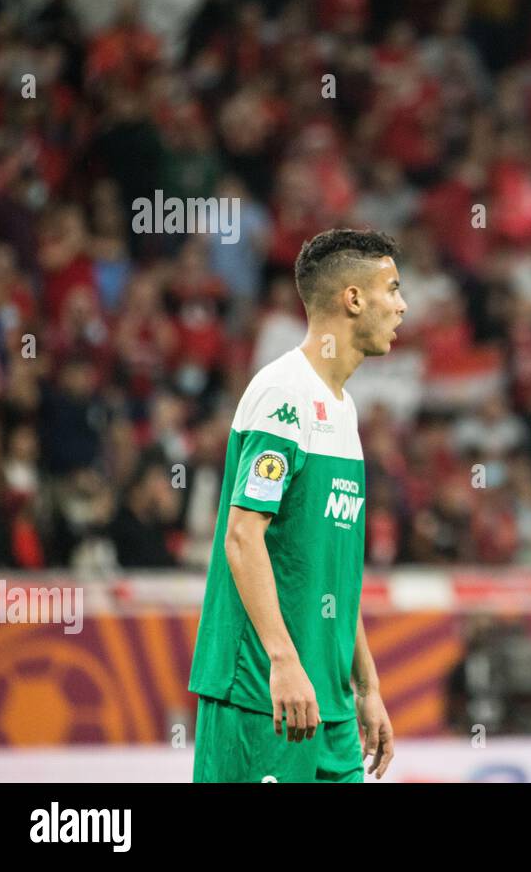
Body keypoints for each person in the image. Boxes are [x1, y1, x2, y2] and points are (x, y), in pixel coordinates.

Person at [189, 228, 405, 782]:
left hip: (327, 706)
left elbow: (331, 573)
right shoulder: (282, 395)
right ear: (353, 299)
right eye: (393, 289)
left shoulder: (344, 409)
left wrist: (367, 685)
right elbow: (243, 537)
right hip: (265, 696)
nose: (403, 306)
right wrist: (284, 663)